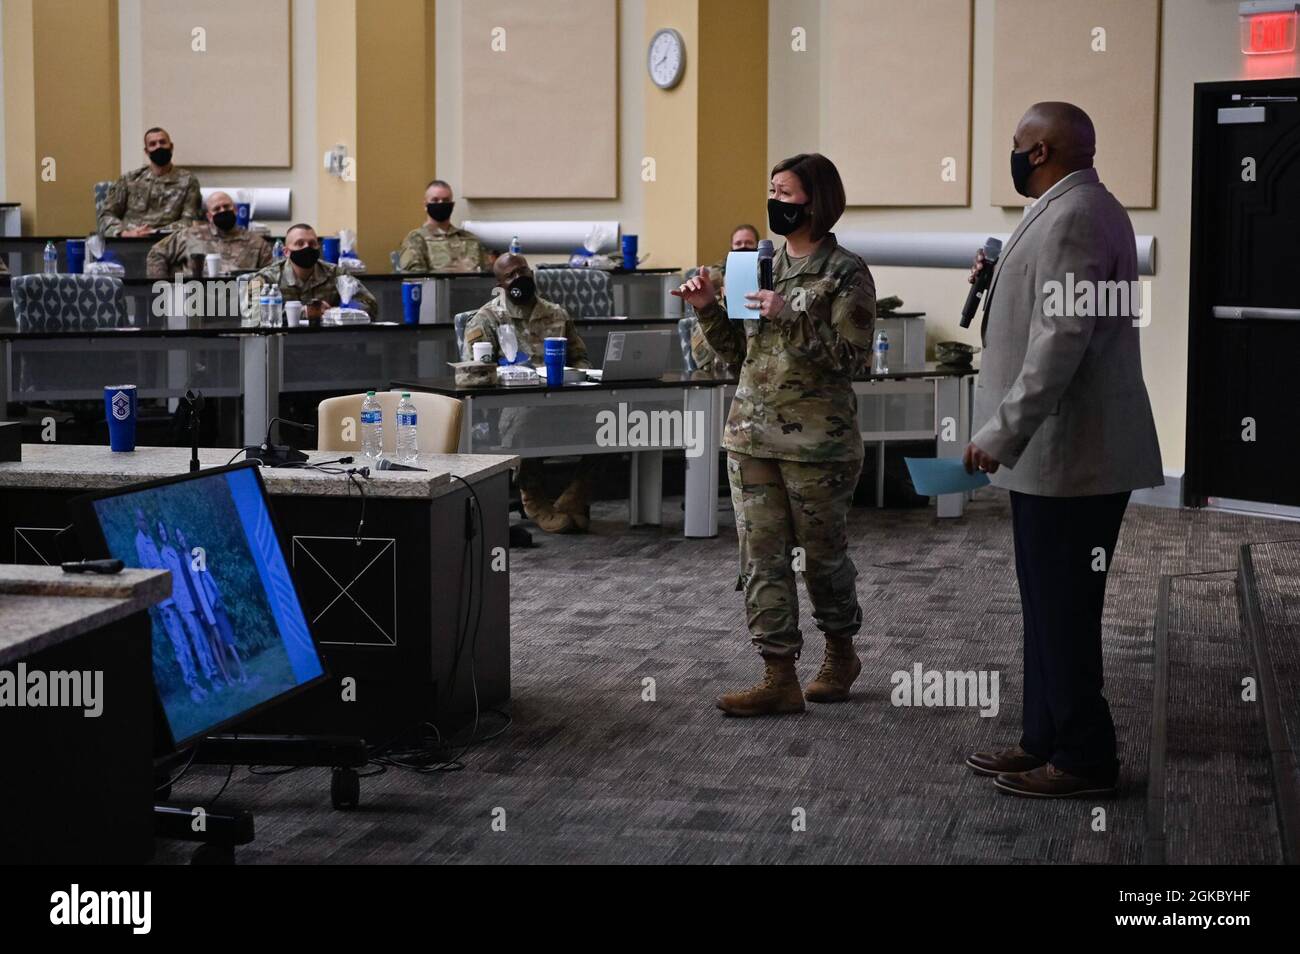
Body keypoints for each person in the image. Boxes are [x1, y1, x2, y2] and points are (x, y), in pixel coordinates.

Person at [962, 102, 1163, 799]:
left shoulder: (1077, 213)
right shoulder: (1075, 206)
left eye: (1019, 147)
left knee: (1065, 608)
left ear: (1041, 150)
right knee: (1047, 603)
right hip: (1059, 457)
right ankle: (1042, 737)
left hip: (1070, 453)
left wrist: (1001, 431)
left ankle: (1084, 757)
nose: (1013, 156)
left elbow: (1061, 339)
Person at [673, 153, 876, 716]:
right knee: (761, 558)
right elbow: (740, 354)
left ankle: (840, 652)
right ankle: (777, 673)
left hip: (819, 443)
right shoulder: (756, 265)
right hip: (750, 436)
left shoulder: (845, 272)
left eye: (785, 195)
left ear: (815, 201)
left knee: (822, 557)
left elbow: (853, 361)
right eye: (772, 193)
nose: (775, 204)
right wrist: (708, 309)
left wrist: (792, 315)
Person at [462, 253, 599, 533]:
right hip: (514, 407)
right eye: (510, 275)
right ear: (500, 284)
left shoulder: (556, 313)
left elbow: (582, 358)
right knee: (531, 418)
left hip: (563, 401)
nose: (519, 278)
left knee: (613, 421)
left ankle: (574, 496)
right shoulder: (485, 319)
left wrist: (574, 375)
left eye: (523, 271)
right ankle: (534, 501)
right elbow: (473, 373)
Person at [134, 509, 206, 703]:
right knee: (179, 645)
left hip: (171, 598)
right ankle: (191, 687)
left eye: (145, 518)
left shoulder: (149, 539)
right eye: (141, 519)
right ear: (136, 522)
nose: (145, 522)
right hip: (163, 603)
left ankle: (195, 682)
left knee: (184, 641)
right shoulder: (140, 542)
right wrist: (158, 604)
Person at [242, 223, 378, 320]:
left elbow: (370, 305)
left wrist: (340, 311)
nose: (307, 247)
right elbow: (250, 313)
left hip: (330, 346)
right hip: (283, 347)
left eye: (312, 244)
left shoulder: (337, 274)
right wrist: (304, 312)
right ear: (286, 252)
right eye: (300, 243)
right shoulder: (266, 278)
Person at [98, 127, 202, 237]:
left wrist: (155, 233)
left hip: (168, 242)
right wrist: (125, 233)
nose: (158, 147)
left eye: (162, 142)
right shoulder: (129, 180)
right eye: (153, 144)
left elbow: (190, 221)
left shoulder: (188, 181)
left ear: (171, 147)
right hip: (129, 242)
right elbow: (106, 215)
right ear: (147, 151)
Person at [155, 520, 221, 691]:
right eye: (159, 530)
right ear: (158, 534)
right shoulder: (163, 554)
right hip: (182, 604)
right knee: (197, 640)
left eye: (164, 529)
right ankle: (210, 677)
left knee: (204, 638)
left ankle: (214, 673)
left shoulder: (174, 552)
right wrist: (175, 602)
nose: (162, 532)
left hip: (193, 600)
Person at [146, 191, 272, 278]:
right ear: (209, 216)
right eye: (217, 209)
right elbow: (156, 253)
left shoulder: (257, 243)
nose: (222, 211)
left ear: (235, 210)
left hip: (238, 304)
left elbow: (271, 273)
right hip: (195, 302)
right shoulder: (189, 236)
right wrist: (164, 287)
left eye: (226, 207)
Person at [689, 224, 760, 372]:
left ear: (757, 245)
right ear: (731, 246)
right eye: (738, 243)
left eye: (748, 243)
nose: (743, 247)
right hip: (720, 330)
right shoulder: (717, 272)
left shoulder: (767, 269)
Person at [397, 179, 491, 272]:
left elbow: (486, 274)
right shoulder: (416, 239)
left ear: (452, 205)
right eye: (435, 200)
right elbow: (414, 279)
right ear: (425, 205)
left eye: (446, 200)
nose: (441, 203)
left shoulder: (470, 239)